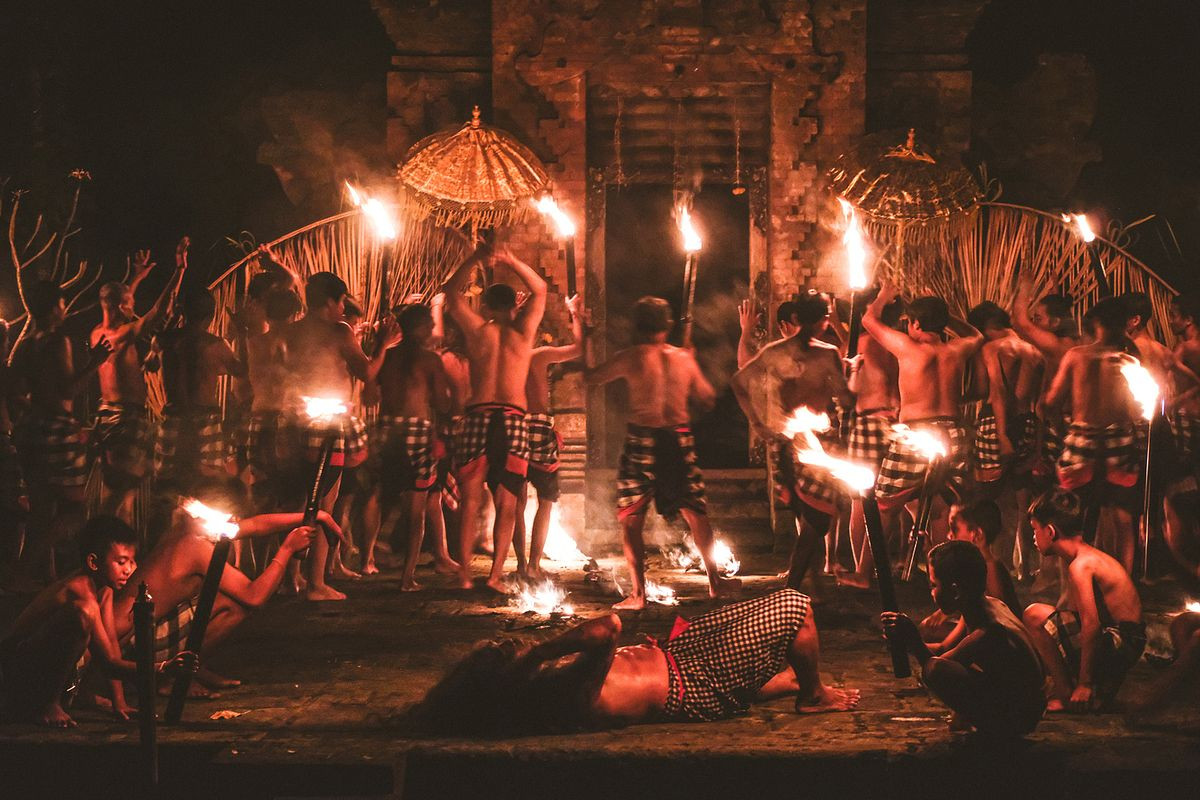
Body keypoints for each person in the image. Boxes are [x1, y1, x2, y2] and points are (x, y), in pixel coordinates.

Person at [411, 588, 859, 735]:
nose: (507, 645)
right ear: (507, 682)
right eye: (503, 654)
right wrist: (541, 649)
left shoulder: (557, 686)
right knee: (797, 606)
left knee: (776, 662)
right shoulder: (567, 699)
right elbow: (607, 625)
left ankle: (798, 683)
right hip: (695, 682)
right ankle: (814, 695)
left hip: (682, 659)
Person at [112, 482, 345, 692]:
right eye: (230, 516)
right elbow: (255, 596)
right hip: (130, 650)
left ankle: (193, 667)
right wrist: (286, 549)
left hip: (140, 635)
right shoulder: (193, 546)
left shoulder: (194, 529)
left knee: (226, 599)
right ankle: (172, 678)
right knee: (238, 603)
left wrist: (319, 515)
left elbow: (254, 525)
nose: (234, 522)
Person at [589, 296, 739, 608]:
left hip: (642, 439)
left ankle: (639, 595)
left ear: (637, 326)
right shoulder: (683, 358)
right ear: (667, 325)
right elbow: (708, 398)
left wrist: (583, 338)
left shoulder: (632, 356)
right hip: (678, 439)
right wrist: (690, 363)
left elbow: (591, 378)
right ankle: (714, 583)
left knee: (632, 519)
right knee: (696, 514)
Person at [0, 516, 194, 727]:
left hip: (34, 665)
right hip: (13, 670)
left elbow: (111, 648)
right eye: (121, 562)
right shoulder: (79, 591)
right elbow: (109, 664)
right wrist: (162, 668)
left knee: (97, 634)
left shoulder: (104, 591)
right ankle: (49, 704)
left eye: (132, 560)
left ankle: (74, 696)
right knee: (83, 615)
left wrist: (119, 703)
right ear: (93, 562)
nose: (129, 569)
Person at [284, 271, 397, 601]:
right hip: (329, 423)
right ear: (332, 301)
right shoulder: (339, 330)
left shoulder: (292, 331)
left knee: (300, 501)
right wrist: (385, 346)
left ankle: (291, 578)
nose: (343, 308)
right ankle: (316, 583)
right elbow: (367, 372)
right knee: (324, 504)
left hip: (300, 420)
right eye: (342, 302)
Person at [442, 246, 546, 593]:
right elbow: (541, 290)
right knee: (508, 501)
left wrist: (475, 258)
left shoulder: (477, 330)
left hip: (479, 416)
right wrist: (512, 260)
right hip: (514, 420)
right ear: (515, 305)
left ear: (485, 307)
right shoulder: (524, 332)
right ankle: (495, 575)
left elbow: (451, 294)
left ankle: (464, 575)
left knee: (471, 499)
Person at [731, 291, 848, 591]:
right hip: (794, 444)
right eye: (820, 320)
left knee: (815, 519)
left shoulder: (815, 353)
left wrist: (759, 424)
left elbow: (844, 397)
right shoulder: (791, 353)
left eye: (822, 320)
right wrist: (758, 423)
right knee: (812, 519)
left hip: (815, 442)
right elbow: (739, 383)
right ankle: (800, 585)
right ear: (807, 320)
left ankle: (808, 584)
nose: (820, 326)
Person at [882, 541, 1045, 736]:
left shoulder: (990, 630)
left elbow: (935, 667)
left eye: (934, 585)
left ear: (955, 591)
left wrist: (915, 642)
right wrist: (907, 641)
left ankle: (993, 729)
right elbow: (945, 651)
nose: (931, 592)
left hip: (1018, 716)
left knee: (935, 670)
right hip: (1013, 699)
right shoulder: (985, 604)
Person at [861, 280, 983, 538]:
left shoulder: (908, 347)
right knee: (940, 506)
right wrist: (943, 315)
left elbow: (869, 320)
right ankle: (938, 568)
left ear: (915, 324)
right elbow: (977, 335)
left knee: (884, 504)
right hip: (953, 434)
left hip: (915, 435)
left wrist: (884, 296)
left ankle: (864, 573)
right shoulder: (956, 350)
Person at [9, 280, 112, 579]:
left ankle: (43, 578)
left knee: (42, 510)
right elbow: (69, 389)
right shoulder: (58, 342)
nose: (65, 309)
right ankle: (24, 567)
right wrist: (95, 362)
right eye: (63, 303)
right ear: (55, 307)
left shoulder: (27, 345)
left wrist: (37, 413)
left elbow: (15, 392)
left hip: (31, 430)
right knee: (74, 510)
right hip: (56, 432)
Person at [1022, 489, 1145, 712]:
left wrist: (1085, 684)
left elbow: (1091, 625)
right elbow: (1072, 614)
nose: (1033, 537)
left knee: (1034, 615)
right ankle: (1090, 691)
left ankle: (1068, 693)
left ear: (1050, 531)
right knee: (1045, 614)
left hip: (1121, 641)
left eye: (1034, 530)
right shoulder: (1081, 558)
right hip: (1122, 638)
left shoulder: (1081, 566)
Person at [90, 241, 188, 521]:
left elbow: (118, 301)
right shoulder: (121, 336)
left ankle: (123, 551)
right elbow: (156, 313)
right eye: (130, 304)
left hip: (111, 415)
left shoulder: (97, 333)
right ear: (121, 307)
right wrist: (179, 271)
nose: (134, 308)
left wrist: (136, 278)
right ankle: (101, 536)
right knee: (123, 486)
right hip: (123, 418)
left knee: (125, 490)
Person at [1044, 298, 1143, 572]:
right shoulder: (1130, 362)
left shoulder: (1077, 356)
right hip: (1118, 443)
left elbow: (1051, 402)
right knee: (1123, 517)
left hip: (1082, 440)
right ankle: (1124, 580)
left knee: (1070, 515)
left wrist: (1064, 428)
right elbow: (1138, 410)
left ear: (1096, 324)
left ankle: (1075, 584)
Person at [367, 303, 454, 587]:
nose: (432, 329)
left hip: (387, 428)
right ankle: (407, 578)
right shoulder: (430, 360)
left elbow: (369, 395)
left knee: (379, 495)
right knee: (417, 505)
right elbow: (442, 403)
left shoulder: (386, 358)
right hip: (417, 431)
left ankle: (366, 558)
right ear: (417, 327)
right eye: (429, 323)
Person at [835, 289, 903, 590]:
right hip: (897, 423)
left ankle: (863, 571)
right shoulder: (901, 345)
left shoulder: (862, 344)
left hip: (869, 424)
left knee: (862, 501)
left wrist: (849, 371)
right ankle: (875, 565)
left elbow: (850, 393)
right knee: (889, 501)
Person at [514, 293, 584, 580]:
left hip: (513, 427)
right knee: (545, 499)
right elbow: (580, 348)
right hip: (538, 427)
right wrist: (575, 313)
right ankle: (532, 565)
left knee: (515, 502)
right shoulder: (537, 355)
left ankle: (521, 565)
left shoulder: (503, 358)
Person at [155, 289, 245, 490]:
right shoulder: (216, 345)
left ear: (183, 312)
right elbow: (240, 371)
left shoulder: (163, 341)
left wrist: (170, 326)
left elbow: (151, 365)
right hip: (205, 419)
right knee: (209, 480)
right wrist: (242, 335)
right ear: (211, 315)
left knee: (168, 482)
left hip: (173, 417)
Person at [921, 499, 1022, 641]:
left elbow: (996, 616)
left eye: (954, 528)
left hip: (997, 641)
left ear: (977, 535)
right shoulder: (974, 565)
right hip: (982, 630)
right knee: (927, 629)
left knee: (929, 634)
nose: (949, 535)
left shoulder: (989, 568)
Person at [1012, 279, 1079, 485]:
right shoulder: (1069, 344)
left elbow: (1019, 323)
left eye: (1038, 318)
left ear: (1055, 323)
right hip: (1055, 420)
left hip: (1061, 423)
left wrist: (1024, 284)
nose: (1034, 323)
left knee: (1054, 483)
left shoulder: (1059, 346)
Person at [1168, 292, 1200, 470]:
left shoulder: (1184, 348)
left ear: (1188, 319)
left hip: (1185, 416)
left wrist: (1173, 402)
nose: (1170, 321)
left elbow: (1170, 364)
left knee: (1180, 470)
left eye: (1173, 315)